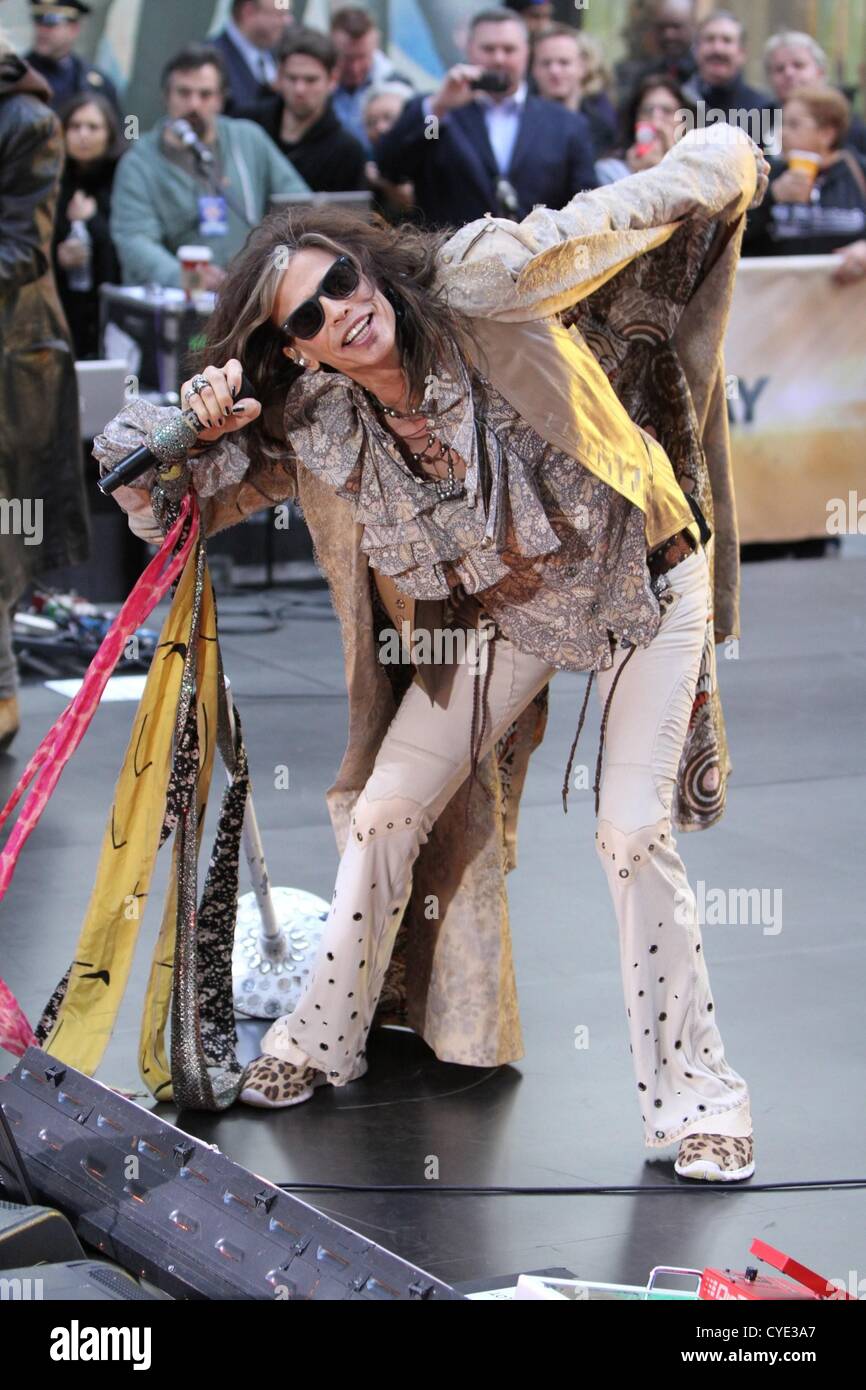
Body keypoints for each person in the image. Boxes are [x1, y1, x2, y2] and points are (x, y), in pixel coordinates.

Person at [95, 121, 771, 1181]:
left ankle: (699, 1100)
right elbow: (168, 509)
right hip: (508, 617)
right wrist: (186, 428)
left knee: (629, 830)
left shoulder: (481, 283)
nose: (342, 310)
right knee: (383, 809)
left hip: (643, 578)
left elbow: (622, 213)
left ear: (370, 265)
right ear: (295, 348)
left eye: (344, 280)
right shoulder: (319, 414)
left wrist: (726, 151)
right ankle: (319, 1036)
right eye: (308, 315)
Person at [0, 33, 89, 753]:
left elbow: (23, 247)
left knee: (6, 524)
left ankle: (1, 698)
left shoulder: (26, 119)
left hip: (12, 350)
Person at [109, 44, 309, 291]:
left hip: (250, 292)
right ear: (166, 97)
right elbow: (134, 240)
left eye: (205, 95)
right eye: (183, 93)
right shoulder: (138, 163)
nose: (193, 105)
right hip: (181, 300)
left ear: (220, 100)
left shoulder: (248, 139)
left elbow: (300, 203)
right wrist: (184, 276)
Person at [375, 8, 597, 229]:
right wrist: (438, 108)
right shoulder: (439, 112)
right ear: (469, 50)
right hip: (451, 257)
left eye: (509, 49)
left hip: (538, 259)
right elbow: (392, 166)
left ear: (527, 53)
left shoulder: (566, 124)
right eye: (488, 49)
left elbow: (584, 205)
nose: (499, 59)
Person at [744, 85, 866, 282]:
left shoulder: (858, 172)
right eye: (782, 124)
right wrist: (772, 197)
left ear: (827, 133)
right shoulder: (767, 175)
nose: (782, 133)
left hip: (849, 307)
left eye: (794, 125)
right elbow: (733, 239)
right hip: (780, 304)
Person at [236, 27, 367, 193]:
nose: (300, 89)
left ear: (332, 80)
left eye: (311, 80)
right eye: (292, 78)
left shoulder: (347, 151)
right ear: (279, 76)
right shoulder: (246, 124)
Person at [52, 91, 123, 358]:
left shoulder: (121, 178)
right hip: (62, 312)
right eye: (75, 126)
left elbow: (123, 244)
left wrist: (92, 221)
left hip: (107, 312)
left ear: (109, 133)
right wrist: (58, 258)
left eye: (93, 127)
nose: (83, 135)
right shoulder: (51, 180)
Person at [763, 30, 866, 160]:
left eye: (798, 65)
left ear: (820, 72)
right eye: (779, 69)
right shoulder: (759, 121)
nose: (788, 73)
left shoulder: (848, 125)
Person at [683, 10, 777, 149]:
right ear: (696, 49)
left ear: (742, 53)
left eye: (727, 40)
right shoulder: (678, 101)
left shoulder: (763, 109)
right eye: (710, 39)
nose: (717, 49)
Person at [329, 6, 412, 156]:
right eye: (347, 58)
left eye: (362, 57)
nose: (355, 68)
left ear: (375, 45)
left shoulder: (398, 88)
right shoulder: (316, 84)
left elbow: (427, 131)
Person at [531, 24, 618, 158]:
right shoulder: (517, 123)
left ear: (582, 67)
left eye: (564, 62)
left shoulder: (601, 129)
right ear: (533, 69)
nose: (554, 71)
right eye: (546, 63)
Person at [24, 0, 119, 115]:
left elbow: (117, 129)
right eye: (38, 21)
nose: (42, 30)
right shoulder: (15, 75)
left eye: (51, 24)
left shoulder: (98, 84)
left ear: (74, 29)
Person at [596, 76, 696, 185]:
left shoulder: (698, 168)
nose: (656, 121)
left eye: (667, 111)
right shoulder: (610, 170)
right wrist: (636, 175)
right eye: (647, 111)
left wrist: (669, 164)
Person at [211, 0, 294, 114]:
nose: (287, 21)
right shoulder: (211, 60)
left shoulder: (282, 55)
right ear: (248, 11)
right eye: (280, 14)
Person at [614, 0, 698, 108]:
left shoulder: (704, 74)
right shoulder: (643, 75)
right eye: (662, 27)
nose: (668, 34)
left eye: (676, 27)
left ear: (693, 26)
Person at [361, 82, 416, 223]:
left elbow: (411, 201)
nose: (380, 128)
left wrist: (382, 180)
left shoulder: (430, 154)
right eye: (371, 122)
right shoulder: (364, 164)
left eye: (389, 117)